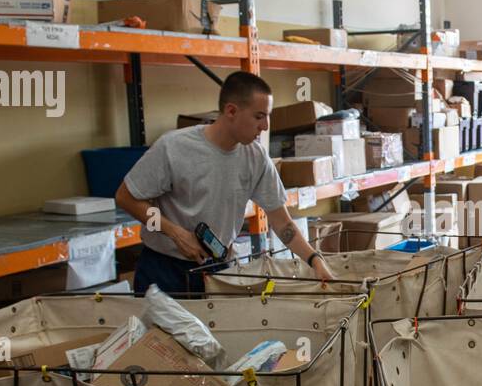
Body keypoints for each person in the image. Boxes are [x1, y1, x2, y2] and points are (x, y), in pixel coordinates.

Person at [116, 70, 334, 295]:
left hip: (216, 269)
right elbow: (126, 198)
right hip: (163, 271)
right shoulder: (173, 147)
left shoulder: (256, 158)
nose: (266, 126)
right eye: (259, 116)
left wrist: (314, 260)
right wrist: (175, 233)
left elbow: (282, 223)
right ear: (231, 111)